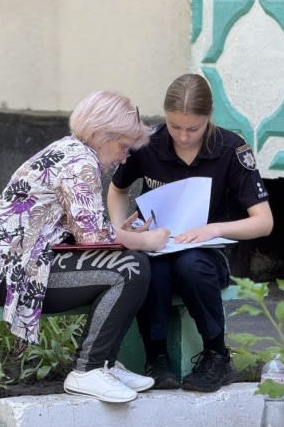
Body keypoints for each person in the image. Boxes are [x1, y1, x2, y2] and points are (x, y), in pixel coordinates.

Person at [0, 90, 171, 403]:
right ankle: (88, 369)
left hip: (11, 269)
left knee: (129, 261)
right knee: (130, 268)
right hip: (13, 277)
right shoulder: (81, 162)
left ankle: (105, 364)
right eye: (124, 146)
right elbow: (93, 238)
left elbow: (80, 229)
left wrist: (120, 235)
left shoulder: (69, 151)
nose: (125, 158)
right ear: (101, 134)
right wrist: (146, 240)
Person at [107, 73, 273, 392]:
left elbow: (263, 221)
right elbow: (117, 189)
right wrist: (120, 228)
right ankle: (156, 358)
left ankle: (216, 355)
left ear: (208, 118)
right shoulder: (148, 145)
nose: (183, 137)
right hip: (154, 245)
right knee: (149, 268)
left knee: (190, 266)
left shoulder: (230, 148)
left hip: (206, 252)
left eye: (193, 128)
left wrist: (212, 229)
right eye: (175, 127)